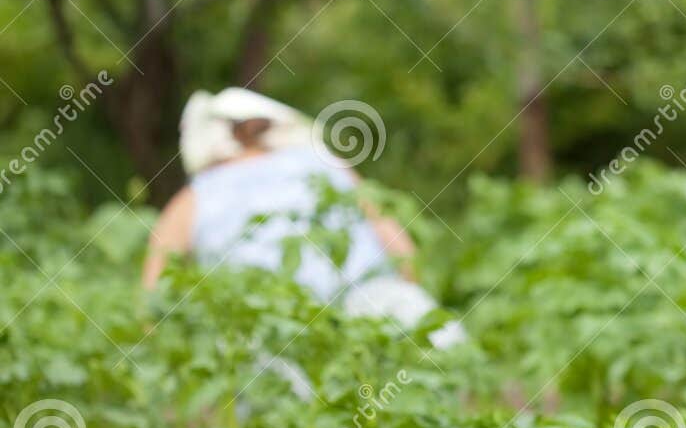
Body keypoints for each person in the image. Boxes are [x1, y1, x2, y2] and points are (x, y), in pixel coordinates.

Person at [142, 87, 465, 350]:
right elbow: (392, 234)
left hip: (275, 326)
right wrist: (410, 286)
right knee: (440, 349)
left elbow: (153, 291)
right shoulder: (324, 162)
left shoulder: (192, 198)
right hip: (368, 300)